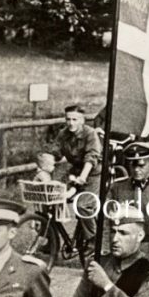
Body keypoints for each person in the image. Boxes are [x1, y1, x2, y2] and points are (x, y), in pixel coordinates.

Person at [45, 104, 103, 255]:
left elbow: (91, 158)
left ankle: (93, 239)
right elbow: (54, 152)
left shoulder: (90, 134)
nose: (71, 123)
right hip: (74, 172)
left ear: (82, 120)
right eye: (68, 119)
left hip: (92, 174)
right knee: (51, 198)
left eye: (75, 119)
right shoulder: (63, 133)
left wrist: (83, 177)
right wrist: (44, 166)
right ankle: (51, 239)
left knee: (83, 205)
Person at [107, 141, 149, 259]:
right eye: (133, 165)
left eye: (141, 165)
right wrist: (105, 251)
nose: (136, 170)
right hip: (124, 251)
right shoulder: (117, 187)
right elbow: (106, 222)